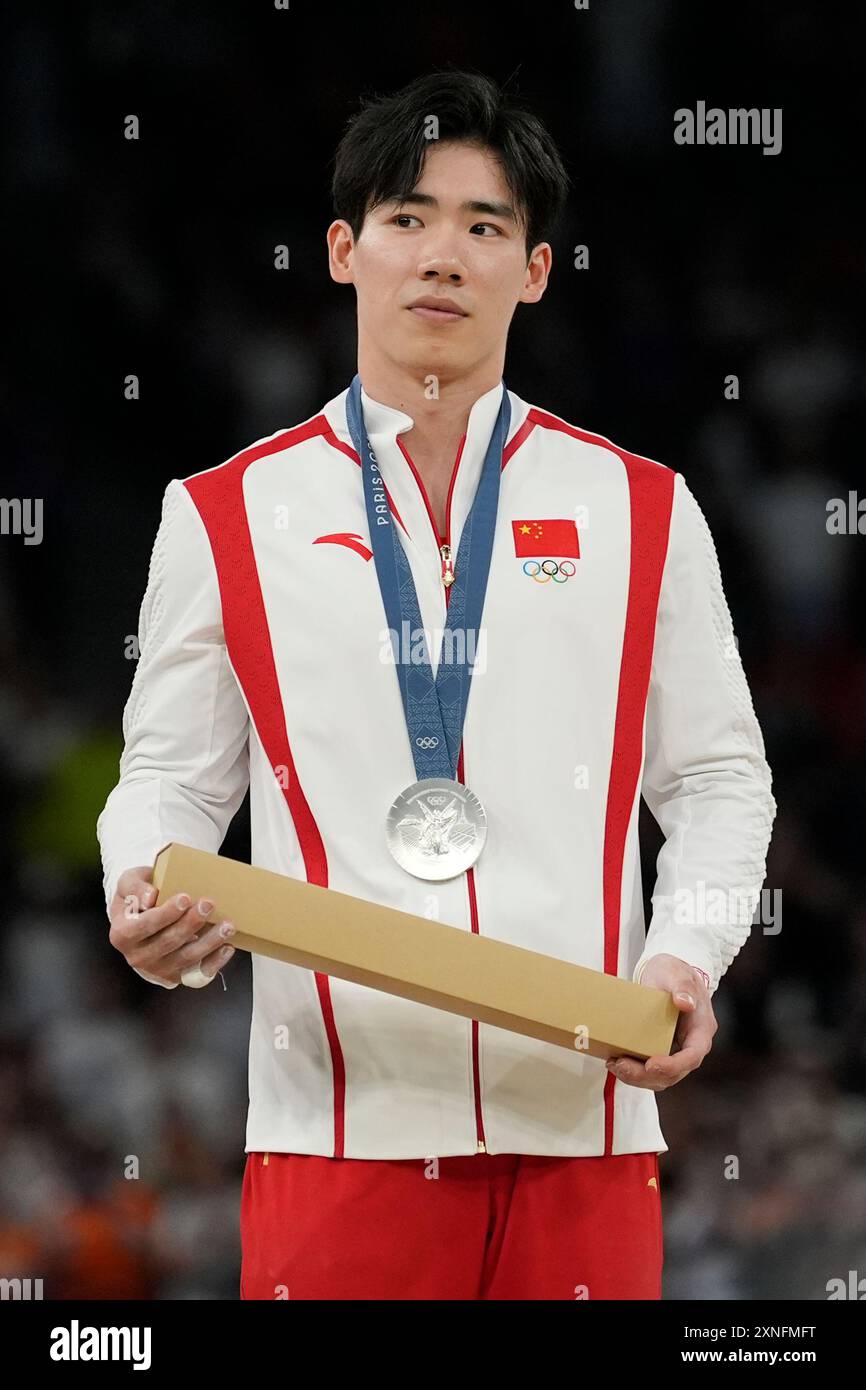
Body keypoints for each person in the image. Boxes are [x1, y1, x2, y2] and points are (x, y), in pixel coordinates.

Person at [97, 69, 776, 1300]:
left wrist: (684, 957)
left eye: (485, 225)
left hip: (583, 1115)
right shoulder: (224, 513)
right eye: (408, 218)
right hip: (333, 1124)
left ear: (533, 271)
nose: (443, 256)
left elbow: (721, 777)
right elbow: (168, 777)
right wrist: (145, 886)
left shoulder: (639, 509)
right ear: (344, 251)